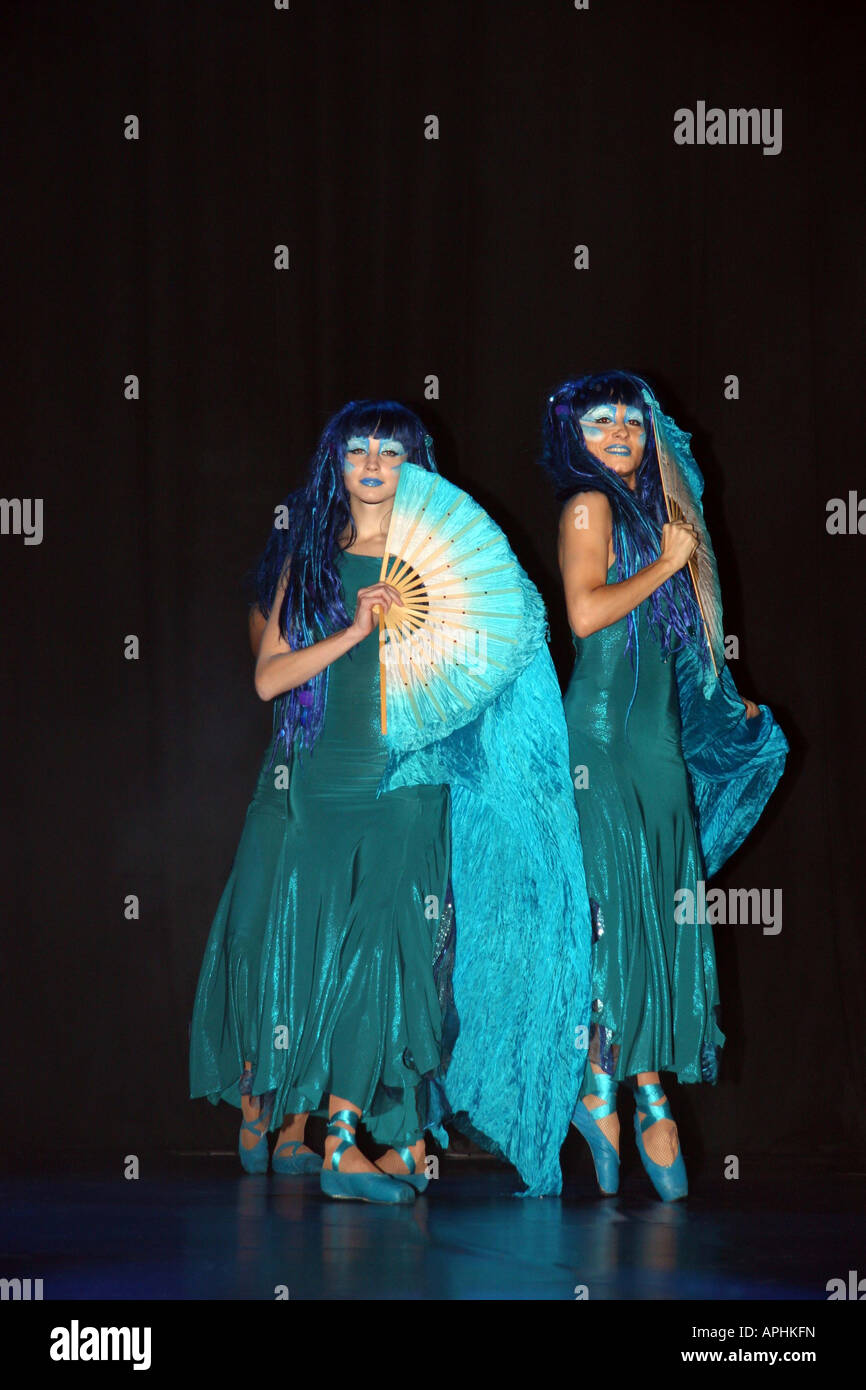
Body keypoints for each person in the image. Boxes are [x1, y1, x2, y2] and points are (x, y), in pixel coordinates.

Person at [189, 400, 450, 1204]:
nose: (374, 462)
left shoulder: (440, 560)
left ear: (415, 465)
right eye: (358, 449)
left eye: (392, 450)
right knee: (296, 930)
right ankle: (272, 1103)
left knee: (389, 938)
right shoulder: (308, 557)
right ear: (336, 465)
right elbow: (270, 678)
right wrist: (354, 629)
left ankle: (349, 1135)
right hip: (317, 767)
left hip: (407, 770)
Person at [539, 370, 787, 1200]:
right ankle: (620, 1088)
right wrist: (669, 562)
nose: (618, 434)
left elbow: (678, 654)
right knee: (614, 915)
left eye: (631, 423)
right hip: (598, 745)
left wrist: (724, 708)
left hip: (657, 751)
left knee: (654, 915)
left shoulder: (660, 520)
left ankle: (630, 1085)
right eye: (599, 421)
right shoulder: (590, 508)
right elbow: (582, 614)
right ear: (573, 435)